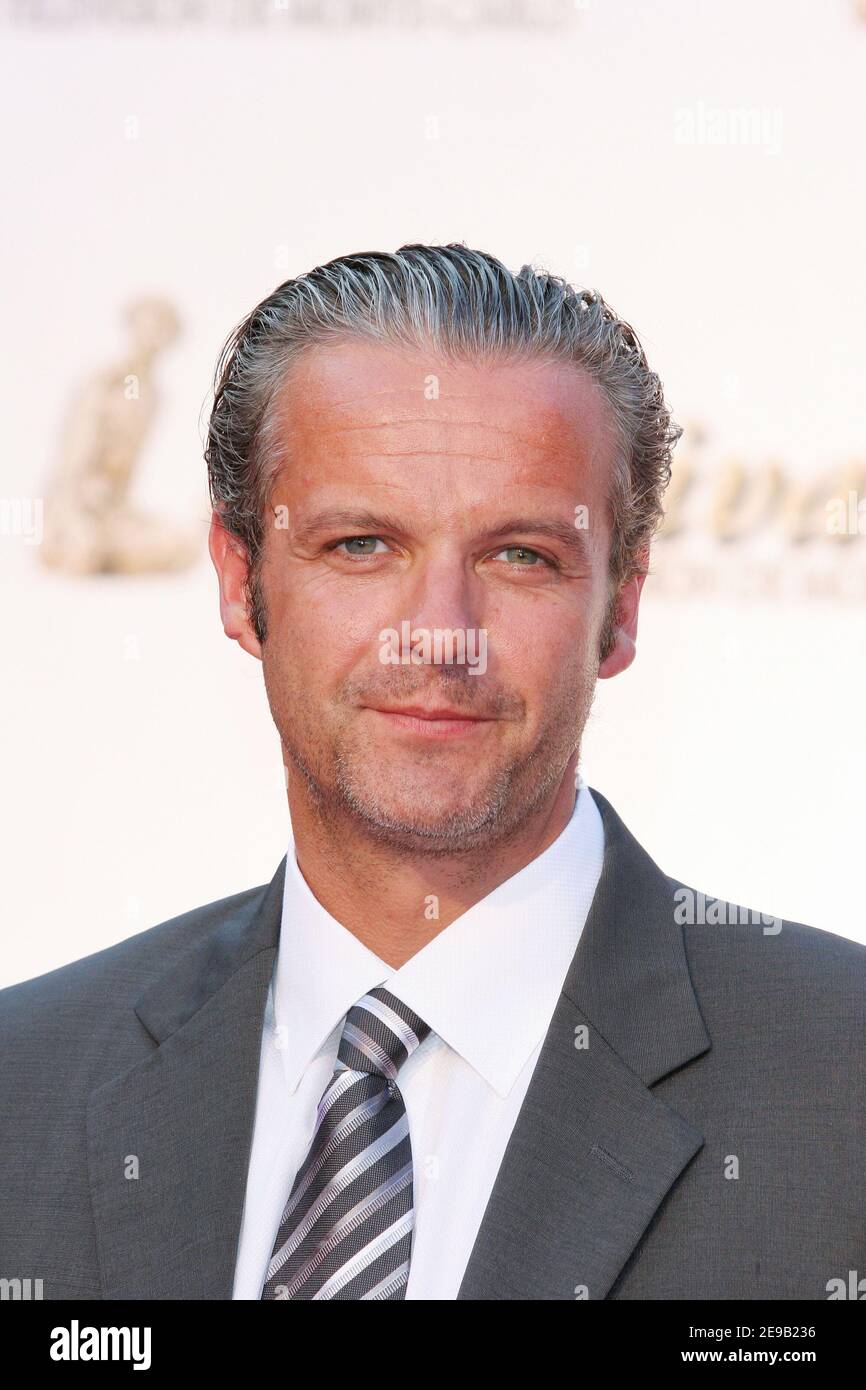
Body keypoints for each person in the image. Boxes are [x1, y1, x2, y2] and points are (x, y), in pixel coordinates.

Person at [1, 244, 863, 1301]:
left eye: (519, 557)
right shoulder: (22, 1091)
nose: (437, 636)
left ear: (621, 605)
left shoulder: (840, 1091)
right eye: (362, 545)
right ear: (239, 580)